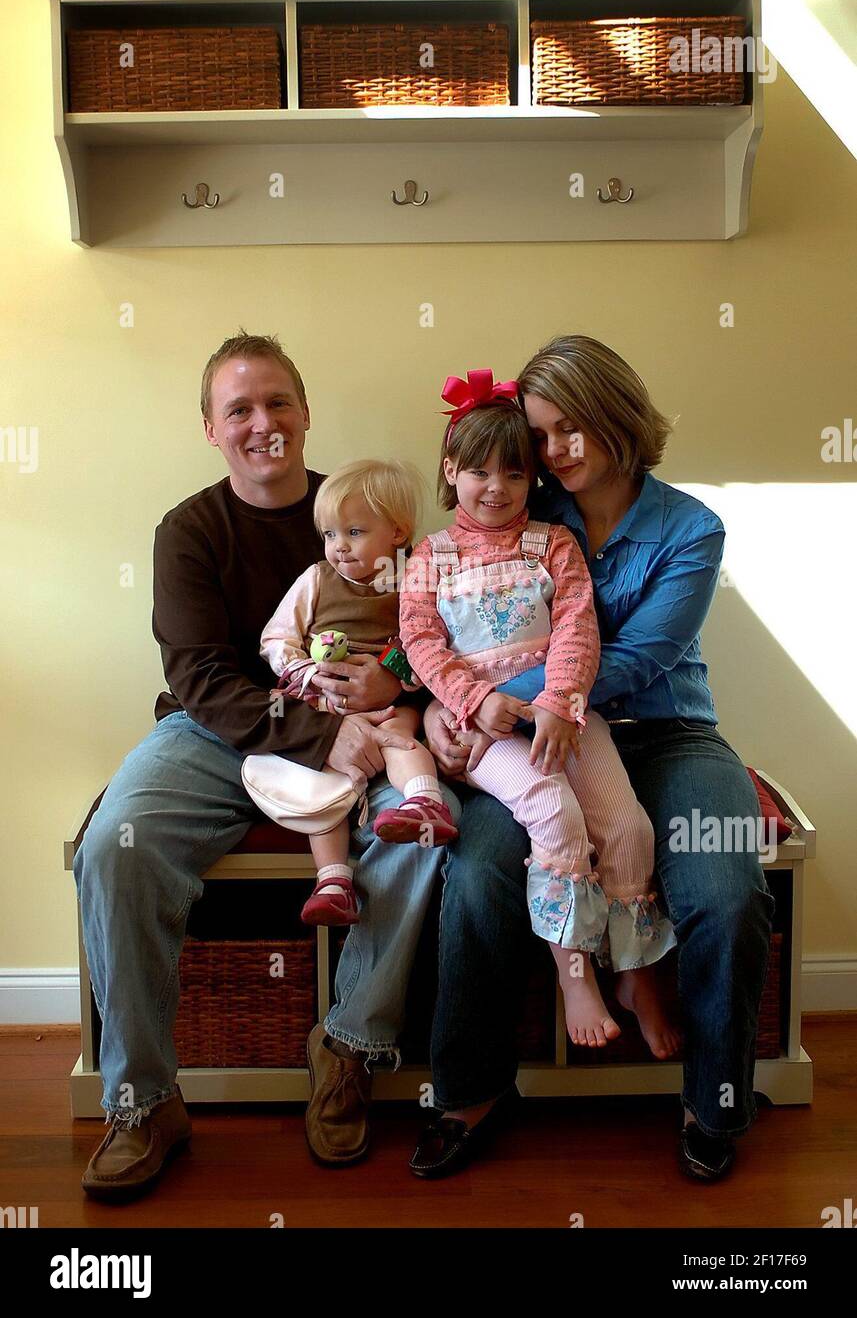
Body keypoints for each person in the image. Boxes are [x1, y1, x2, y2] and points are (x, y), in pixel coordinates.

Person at [71, 331, 480, 1195]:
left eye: (278, 403)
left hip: (364, 724)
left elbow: (431, 628)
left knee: (423, 828)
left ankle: (347, 1046)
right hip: (212, 734)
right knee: (117, 845)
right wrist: (313, 730)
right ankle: (144, 1100)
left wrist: (396, 694)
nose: (263, 424)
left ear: (305, 411)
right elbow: (197, 673)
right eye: (239, 409)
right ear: (211, 430)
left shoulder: (359, 510)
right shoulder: (189, 530)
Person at [410, 335, 775, 1183]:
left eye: (571, 427)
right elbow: (440, 630)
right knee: (481, 874)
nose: (552, 452)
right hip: (526, 745)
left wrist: (487, 703)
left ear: (619, 416)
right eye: (540, 433)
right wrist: (452, 706)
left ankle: (712, 1098)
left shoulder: (690, 526)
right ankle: (469, 1090)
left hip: (663, 730)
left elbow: (642, 655)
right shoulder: (522, 513)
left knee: (725, 887)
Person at [399, 372, 679, 1054]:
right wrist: (476, 700)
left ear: (532, 482)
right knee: (556, 815)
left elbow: (578, 629)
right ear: (450, 472)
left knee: (626, 826)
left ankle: (632, 971)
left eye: (514, 474)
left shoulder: (553, 544)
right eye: (478, 472)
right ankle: (573, 971)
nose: (494, 488)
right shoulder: (430, 558)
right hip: (488, 733)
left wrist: (558, 702)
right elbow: (419, 642)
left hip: (563, 717)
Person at [245, 458, 459, 927]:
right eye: (329, 535)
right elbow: (276, 639)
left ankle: (424, 802)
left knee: (400, 734)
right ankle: (334, 880)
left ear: (398, 533)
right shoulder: (317, 580)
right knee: (323, 780)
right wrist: (306, 672)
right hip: (327, 706)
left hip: (390, 704)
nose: (338, 548)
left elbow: (436, 646)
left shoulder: (418, 581)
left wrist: (398, 676)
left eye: (355, 533)